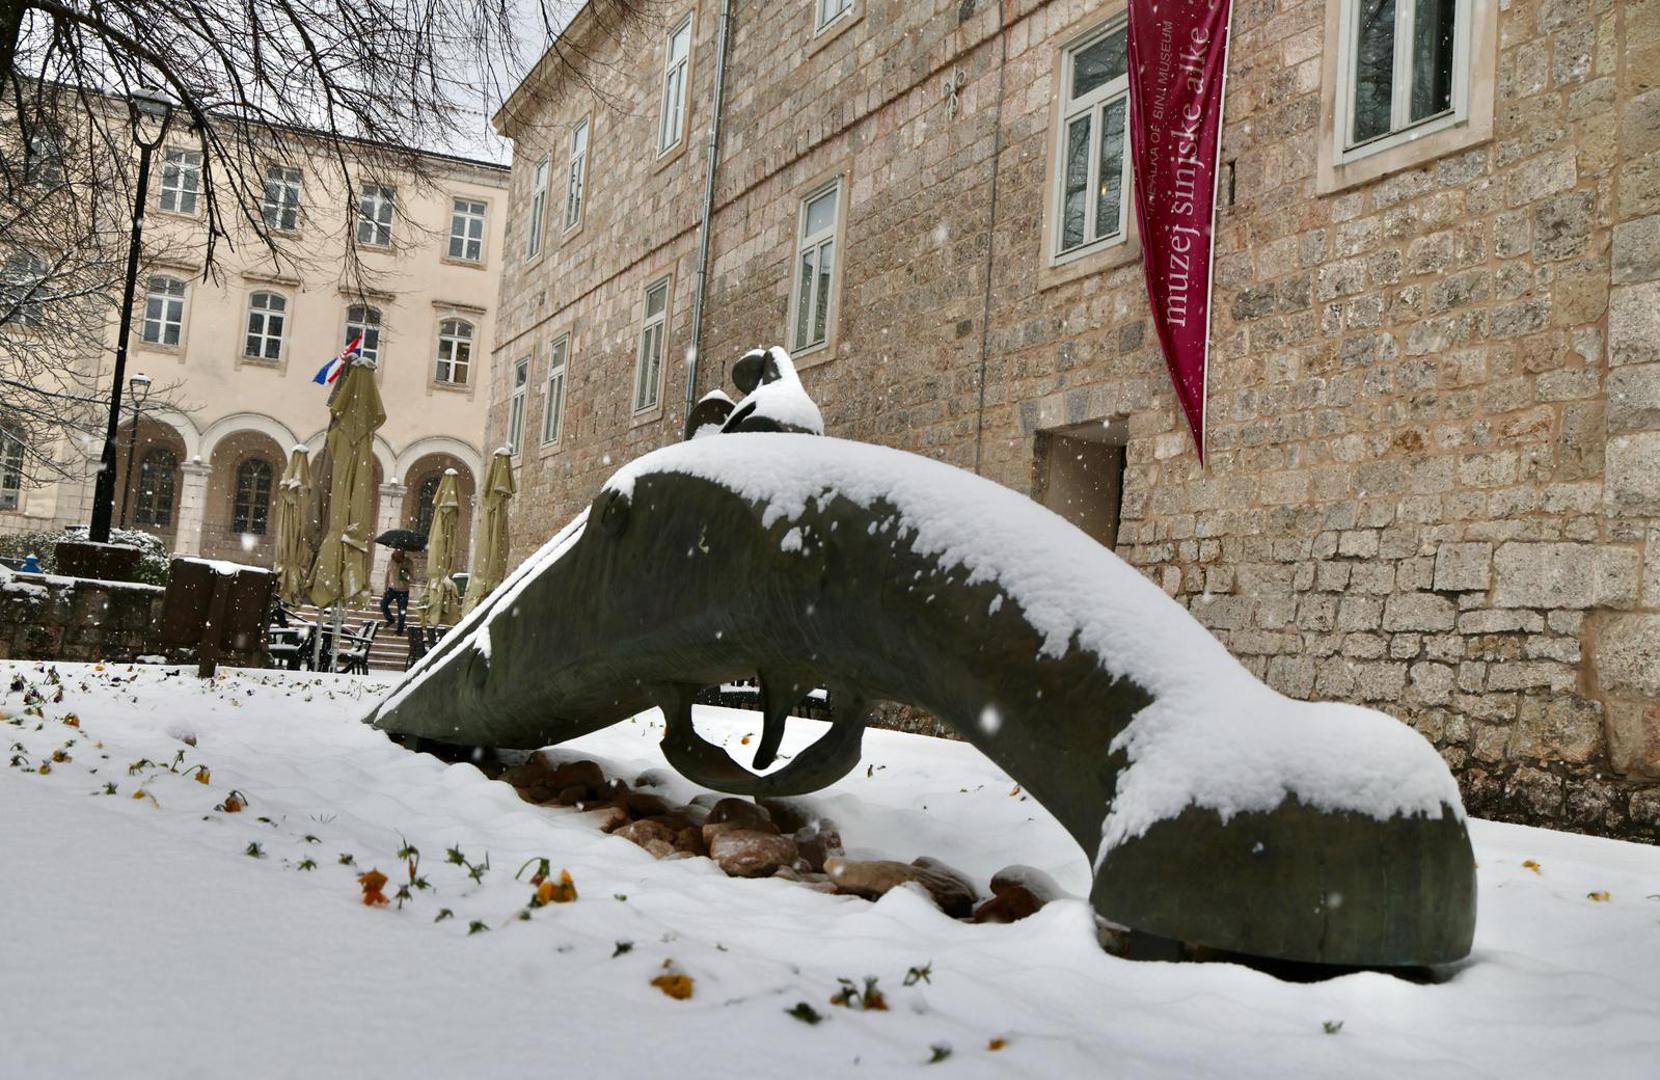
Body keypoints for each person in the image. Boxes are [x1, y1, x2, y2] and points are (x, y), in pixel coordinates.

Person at [381, 549, 411, 633]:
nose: (397, 557)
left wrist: (404, 572)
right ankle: (390, 619)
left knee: (401, 611)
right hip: (392, 589)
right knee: (383, 604)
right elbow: (387, 575)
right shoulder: (391, 562)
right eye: (395, 555)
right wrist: (385, 588)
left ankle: (399, 630)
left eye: (399, 555)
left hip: (403, 590)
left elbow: (411, 578)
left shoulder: (408, 563)